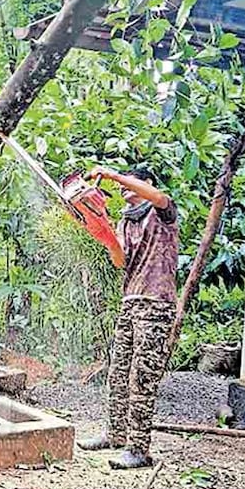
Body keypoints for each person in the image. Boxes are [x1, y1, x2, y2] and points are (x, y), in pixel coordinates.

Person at [76, 166, 180, 470]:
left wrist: (113, 175)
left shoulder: (163, 213)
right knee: (118, 373)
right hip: (130, 302)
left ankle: (139, 450)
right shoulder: (125, 220)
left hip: (156, 305)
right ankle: (116, 435)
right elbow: (121, 260)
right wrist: (104, 234)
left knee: (142, 379)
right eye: (122, 183)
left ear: (145, 183)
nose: (123, 187)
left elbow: (160, 196)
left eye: (131, 181)